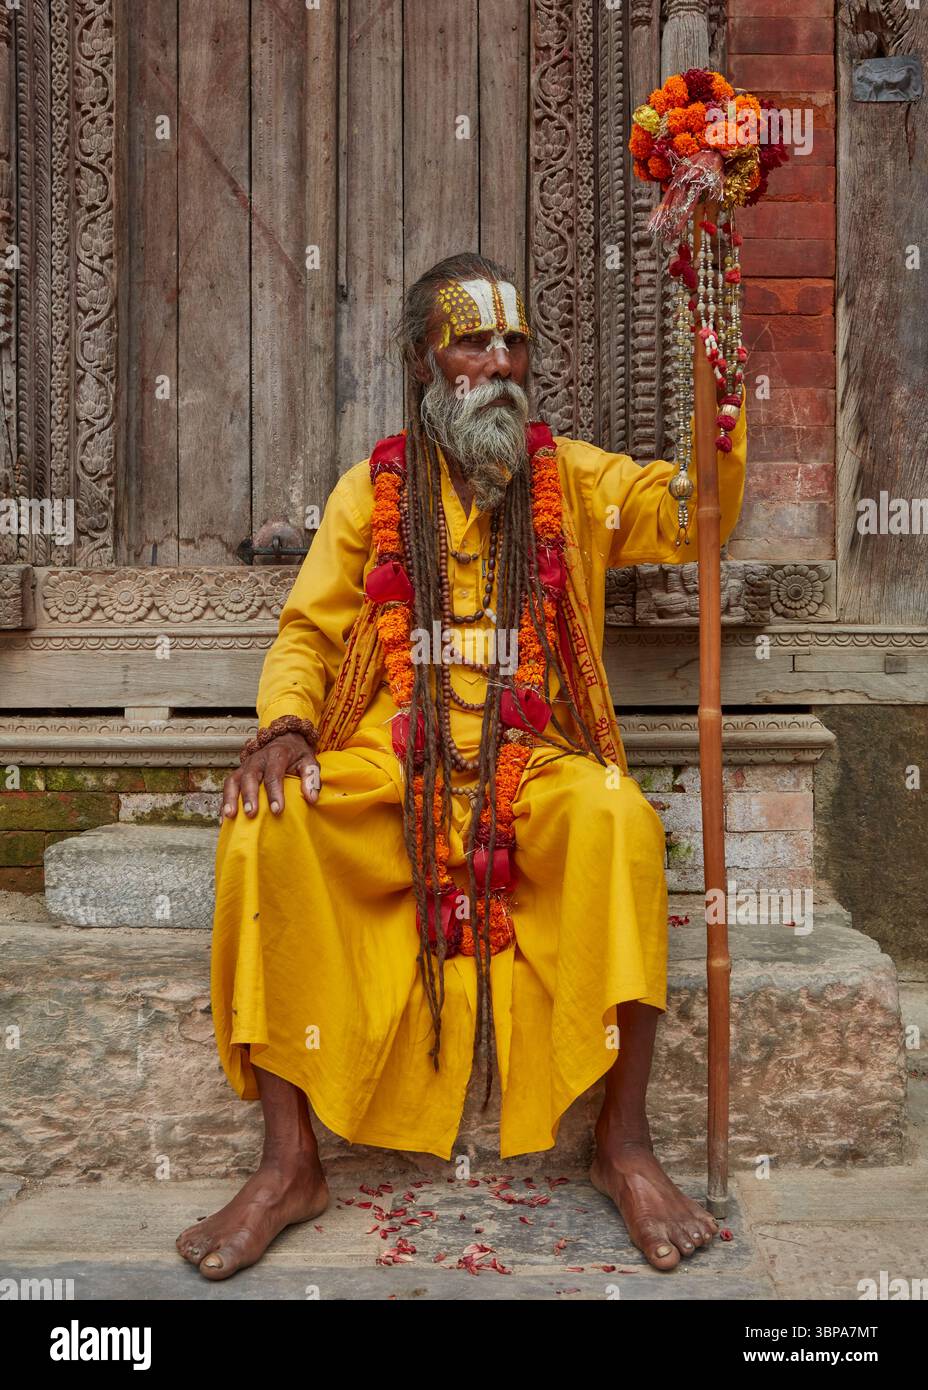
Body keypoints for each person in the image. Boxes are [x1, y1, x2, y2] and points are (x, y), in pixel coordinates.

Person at [175, 252, 747, 1281]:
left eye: (511, 340)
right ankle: (290, 1160)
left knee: (617, 818)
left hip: (533, 768)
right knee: (267, 825)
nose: (494, 358)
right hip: (397, 768)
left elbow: (689, 513)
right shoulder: (374, 488)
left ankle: (623, 1147)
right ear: (424, 360)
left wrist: (721, 388)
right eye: (470, 338)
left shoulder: (571, 475)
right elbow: (306, 631)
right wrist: (288, 726)